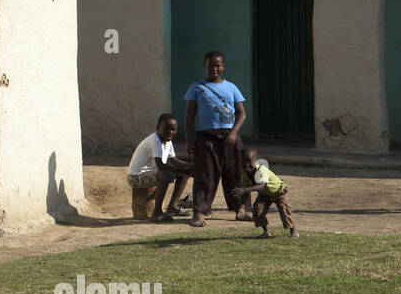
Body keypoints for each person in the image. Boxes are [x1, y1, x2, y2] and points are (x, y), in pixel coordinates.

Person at [183, 49, 248, 228]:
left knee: (235, 174)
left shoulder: (231, 87)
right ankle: (199, 211)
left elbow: (241, 113)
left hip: (230, 139)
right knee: (205, 176)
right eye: (210, 66)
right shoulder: (197, 88)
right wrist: (190, 141)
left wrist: (234, 132)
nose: (214, 69)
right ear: (205, 66)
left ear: (223, 66)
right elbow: (189, 118)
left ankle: (240, 208)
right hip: (206, 139)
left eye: (218, 66)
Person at [126, 114, 192, 222]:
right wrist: (181, 169)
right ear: (158, 129)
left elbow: (175, 160)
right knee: (164, 173)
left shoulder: (168, 141)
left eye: (173, 129)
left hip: (150, 173)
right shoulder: (155, 140)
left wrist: (191, 166)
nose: (170, 132)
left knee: (184, 174)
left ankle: (173, 207)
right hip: (135, 177)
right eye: (166, 129)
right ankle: (157, 213)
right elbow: (160, 165)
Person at [233, 149, 298, 238]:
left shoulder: (261, 169)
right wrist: (242, 207)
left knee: (285, 211)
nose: (247, 165)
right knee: (257, 211)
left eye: (249, 162)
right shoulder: (245, 175)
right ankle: (266, 232)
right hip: (264, 195)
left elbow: (261, 185)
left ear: (255, 160)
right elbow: (245, 193)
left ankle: (293, 230)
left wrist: (244, 190)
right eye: (244, 163)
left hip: (279, 192)